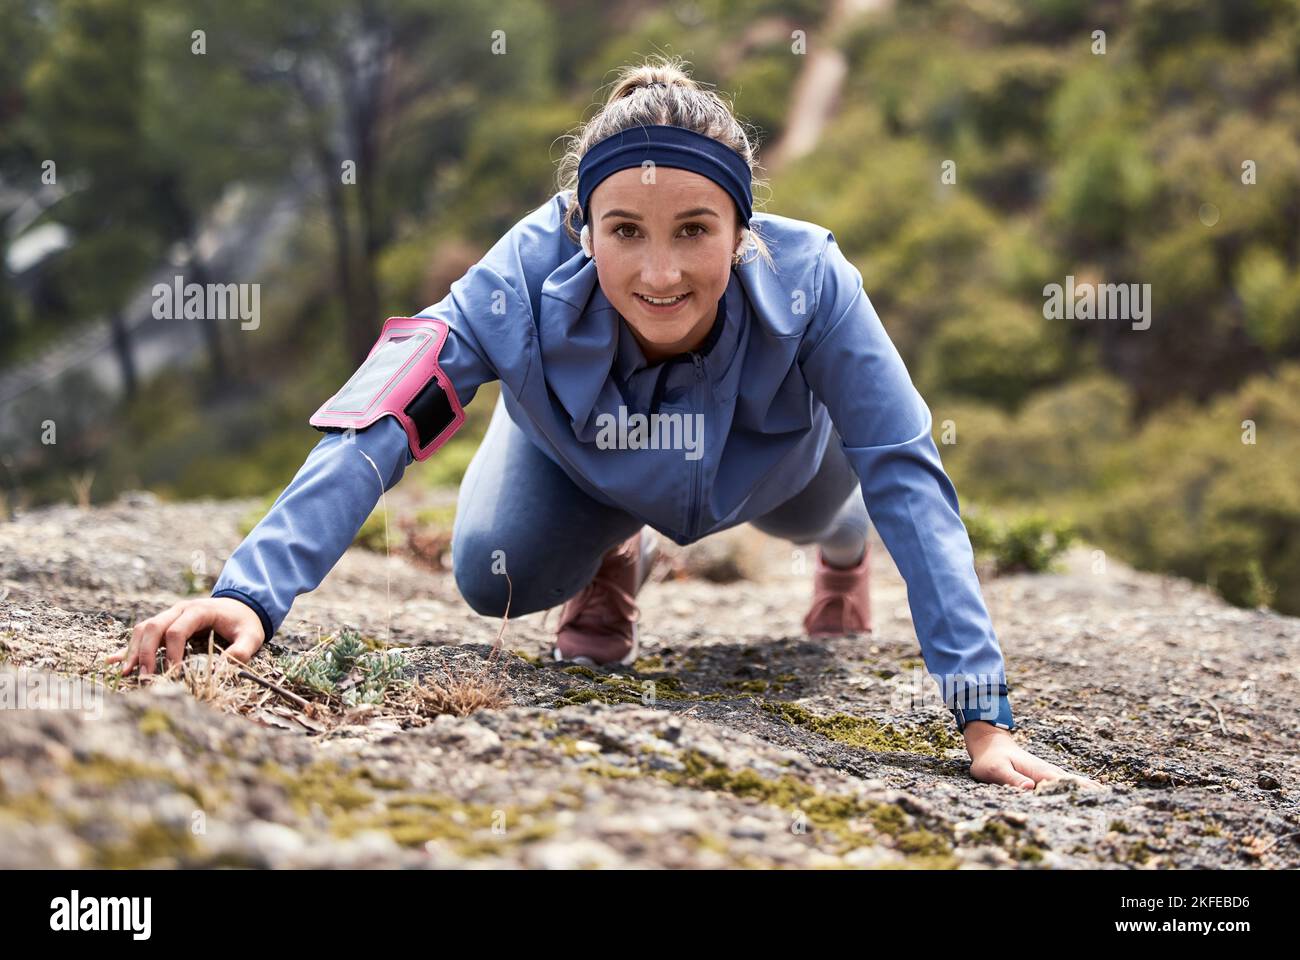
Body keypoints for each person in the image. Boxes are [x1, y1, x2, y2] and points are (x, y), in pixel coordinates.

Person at [111, 57, 1086, 791]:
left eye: (694, 231)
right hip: (586, 461)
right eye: (625, 232)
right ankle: (611, 548)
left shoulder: (815, 279)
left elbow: (904, 469)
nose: (660, 273)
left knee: (832, 514)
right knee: (495, 572)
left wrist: (981, 718)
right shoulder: (517, 276)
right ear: (582, 228)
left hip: (781, 471)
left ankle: (838, 560)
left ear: (742, 229)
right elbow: (380, 420)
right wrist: (252, 593)